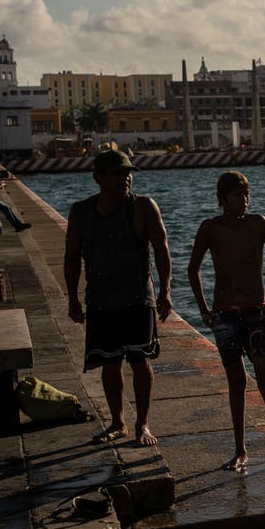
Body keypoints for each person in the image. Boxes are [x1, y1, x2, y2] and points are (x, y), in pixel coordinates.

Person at [64, 150, 172, 446]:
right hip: (100, 300)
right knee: (110, 364)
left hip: (138, 298)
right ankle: (117, 422)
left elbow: (162, 250)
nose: (125, 178)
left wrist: (165, 291)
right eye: (117, 173)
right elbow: (72, 257)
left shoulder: (143, 207)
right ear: (99, 178)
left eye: (128, 173)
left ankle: (143, 424)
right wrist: (72, 298)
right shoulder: (81, 212)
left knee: (140, 360)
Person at [187, 171, 265, 472]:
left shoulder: (258, 224)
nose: (244, 201)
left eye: (246, 194)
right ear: (222, 199)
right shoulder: (209, 228)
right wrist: (204, 309)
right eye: (237, 195)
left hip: (255, 314)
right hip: (225, 316)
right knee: (236, 382)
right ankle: (239, 451)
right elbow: (193, 269)